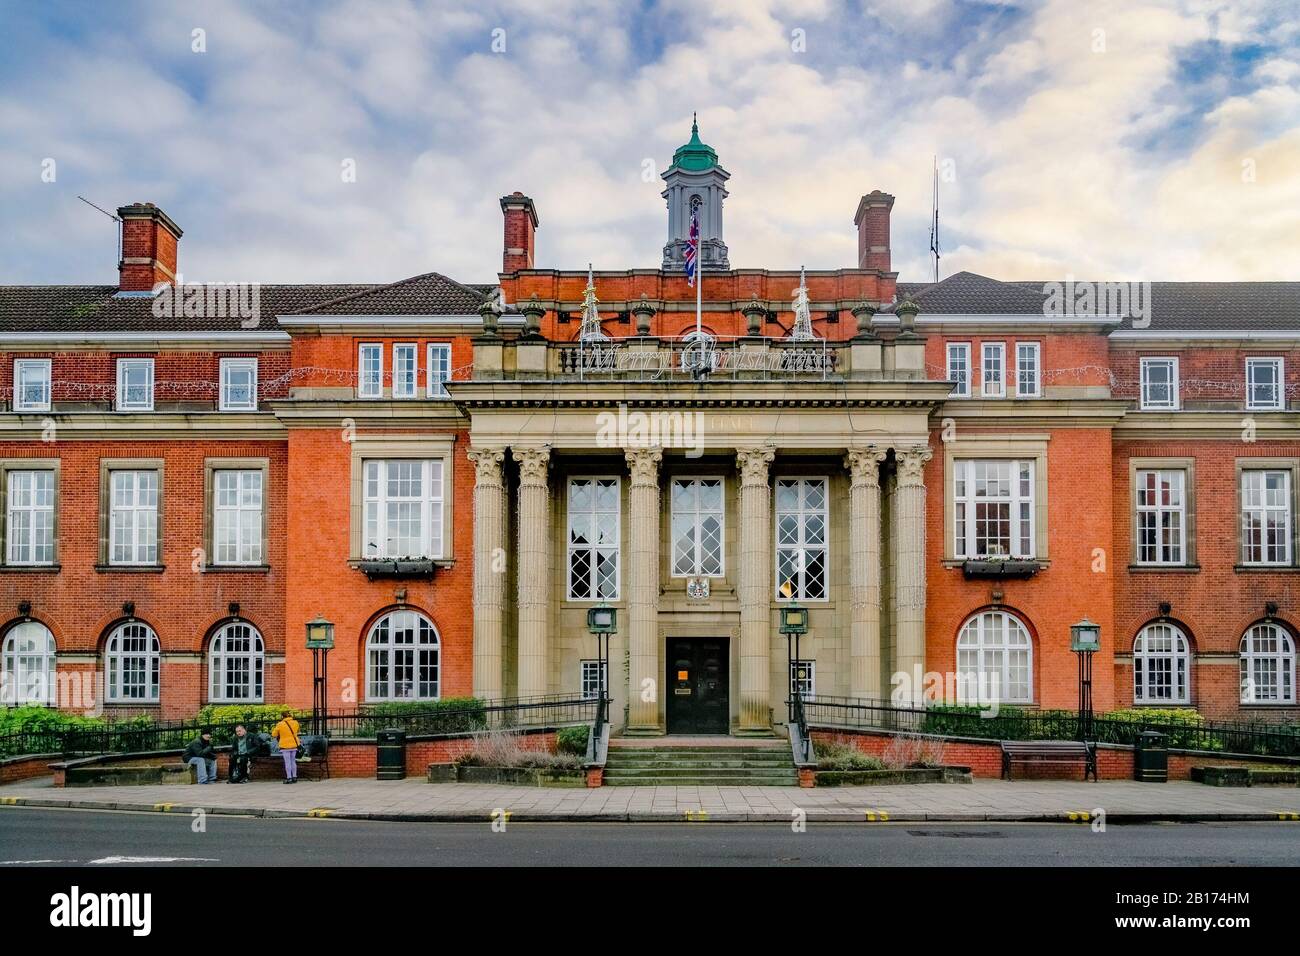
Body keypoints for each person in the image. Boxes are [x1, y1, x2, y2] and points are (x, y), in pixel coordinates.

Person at [271, 710, 301, 784]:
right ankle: (295, 777)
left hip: (285, 745)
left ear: (282, 716)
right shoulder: (295, 722)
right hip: (294, 744)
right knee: (293, 761)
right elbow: (297, 731)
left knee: (287, 762)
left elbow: (274, 735)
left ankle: (289, 778)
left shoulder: (280, 724)